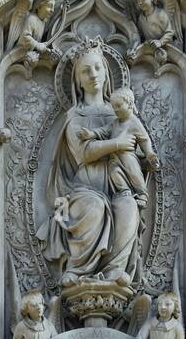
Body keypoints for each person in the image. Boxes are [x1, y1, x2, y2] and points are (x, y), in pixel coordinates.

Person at [37, 42, 142, 287]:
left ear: (106, 72)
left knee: (128, 207)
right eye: (86, 71)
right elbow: (85, 153)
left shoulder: (120, 114)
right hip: (82, 191)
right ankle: (78, 269)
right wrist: (118, 144)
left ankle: (115, 270)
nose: (93, 74)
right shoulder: (75, 116)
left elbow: (137, 145)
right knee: (94, 207)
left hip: (117, 184)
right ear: (78, 81)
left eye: (97, 68)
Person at [77, 86, 158, 208]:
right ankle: (124, 191)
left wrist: (150, 153)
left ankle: (142, 194)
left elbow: (144, 139)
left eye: (119, 106)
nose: (115, 110)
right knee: (114, 173)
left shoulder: (134, 122)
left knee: (134, 173)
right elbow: (104, 131)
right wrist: (91, 134)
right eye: (113, 107)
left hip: (128, 156)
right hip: (114, 157)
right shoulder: (115, 123)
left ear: (130, 104)